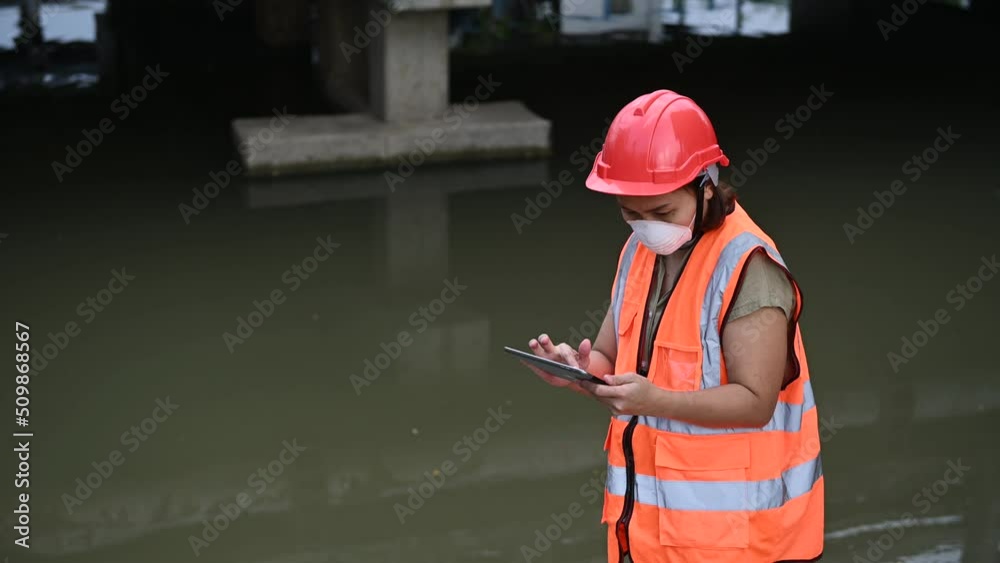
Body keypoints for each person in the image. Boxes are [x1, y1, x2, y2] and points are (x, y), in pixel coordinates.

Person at [521, 90, 824, 562]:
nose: (646, 227)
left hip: (739, 542)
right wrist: (575, 373)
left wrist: (654, 400)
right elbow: (609, 362)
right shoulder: (639, 252)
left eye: (661, 213)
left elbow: (755, 403)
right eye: (630, 213)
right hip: (647, 535)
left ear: (706, 186)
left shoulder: (749, 267)